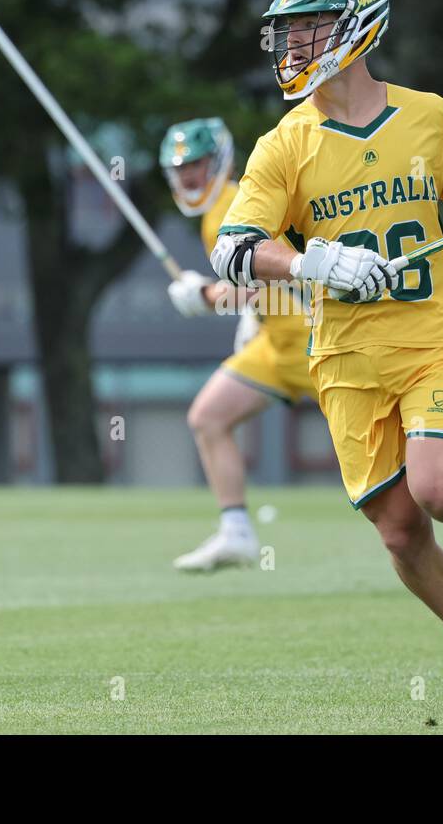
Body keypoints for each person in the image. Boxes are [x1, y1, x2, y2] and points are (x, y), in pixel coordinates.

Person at [209, 0, 443, 714]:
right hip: (347, 360)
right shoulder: (285, 145)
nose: (292, 46)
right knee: (398, 532)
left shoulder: (427, 116)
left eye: (308, 29)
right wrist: (311, 259)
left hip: (432, 339)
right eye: (288, 33)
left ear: (357, 29)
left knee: (439, 487)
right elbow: (232, 249)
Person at [160, 117, 315, 572]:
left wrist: (201, 296)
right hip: (277, 344)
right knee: (208, 417)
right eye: (181, 166)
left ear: (219, 161)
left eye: (198, 163)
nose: (189, 174)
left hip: (315, 341)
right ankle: (237, 533)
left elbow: (251, 284)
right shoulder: (215, 212)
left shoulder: (230, 205)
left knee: (393, 458)